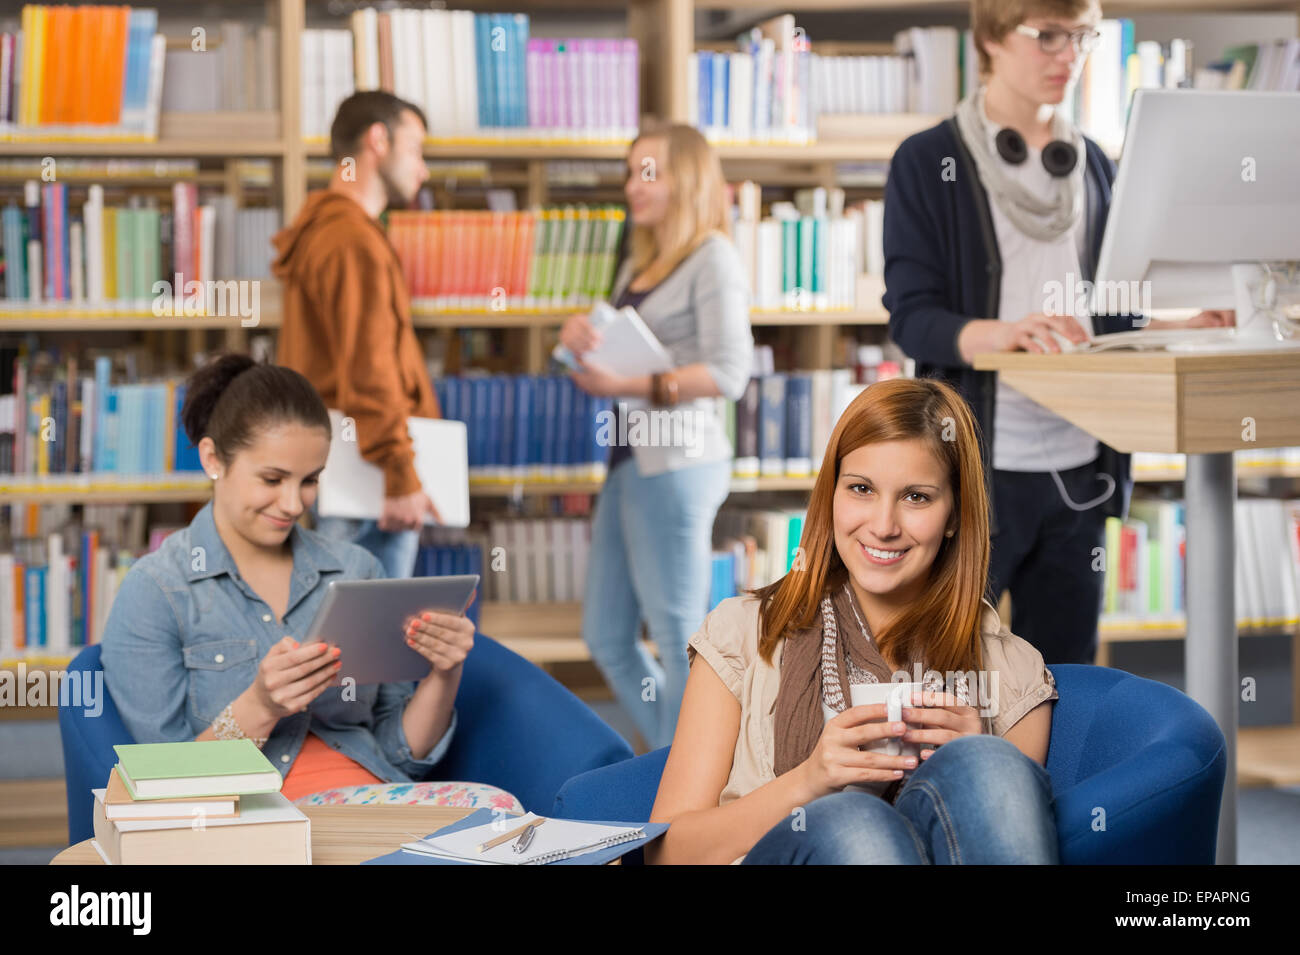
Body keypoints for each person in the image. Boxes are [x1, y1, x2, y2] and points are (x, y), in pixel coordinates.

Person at [881, 0, 1232, 664]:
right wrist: (1005, 333)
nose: (1067, 55)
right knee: (944, 672)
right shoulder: (927, 162)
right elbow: (913, 319)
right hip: (975, 468)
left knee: (1064, 679)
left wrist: (1182, 321)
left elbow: (1107, 314)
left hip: (1081, 466)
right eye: (1047, 37)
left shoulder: (1095, 163)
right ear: (990, 38)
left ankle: (1053, 776)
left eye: (1081, 38)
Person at [646, 377, 1061, 864]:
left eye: (917, 497)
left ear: (954, 516)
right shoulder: (743, 634)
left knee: (987, 765)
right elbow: (665, 855)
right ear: (832, 495)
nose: (884, 526)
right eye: (861, 489)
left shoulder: (1012, 673)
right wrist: (810, 781)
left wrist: (973, 763)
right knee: (854, 821)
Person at [100, 355, 519, 811]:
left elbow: (404, 756)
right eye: (272, 479)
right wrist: (259, 706)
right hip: (255, 825)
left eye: (309, 481)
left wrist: (445, 671)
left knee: (505, 816)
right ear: (213, 459)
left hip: (378, 803)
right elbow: (168, 787)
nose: (292, 503)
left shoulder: (357, 571)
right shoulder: (157, 590)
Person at [559, 122, 754, 750]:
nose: (631, 186)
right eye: (629, 172)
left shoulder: (713, 257)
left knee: (677, 637)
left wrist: (636, 386)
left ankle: (677, 793)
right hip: (628, 459)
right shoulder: (641, 260)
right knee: (606, 634)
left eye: (648, 172)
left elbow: (730, 371)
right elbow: (612, 349)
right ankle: (672, 767)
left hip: (678, 464)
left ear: (688, 180)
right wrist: (573, 337)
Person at [272, 90, 442, 580]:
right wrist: (399, 472)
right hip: (369, 482)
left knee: (338, 638)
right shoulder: (353, 241)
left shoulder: (324, 231)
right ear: (378, 140)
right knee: (372, 649)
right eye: (416, 150)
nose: (423, 169)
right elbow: (371, 372)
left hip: (340, 471)